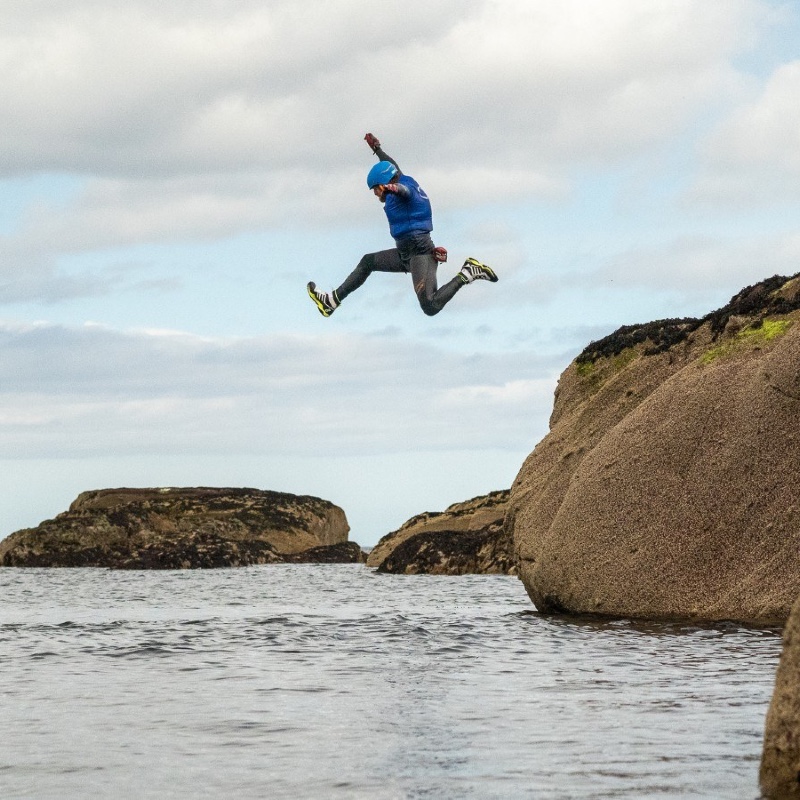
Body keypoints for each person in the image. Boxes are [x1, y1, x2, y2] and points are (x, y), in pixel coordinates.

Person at [307, 133, 497, 318]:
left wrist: (393, 189)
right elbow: (393, 166)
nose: (375, 195)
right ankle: (331, 301)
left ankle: (468, 272)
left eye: (375, 190)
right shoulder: (400, 177)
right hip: (405, 254)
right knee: (368, 262)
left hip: (420, 253)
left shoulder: (404, 189)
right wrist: (377, 149)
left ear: (383, 185)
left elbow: (404, 192)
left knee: (430, 306)